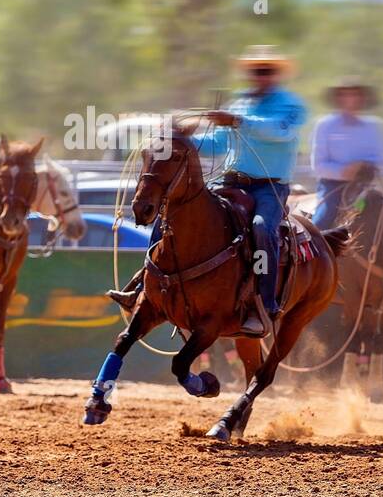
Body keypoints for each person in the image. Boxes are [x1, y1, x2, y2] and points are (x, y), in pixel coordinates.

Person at [109, 46, 308, 336]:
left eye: (266, 71)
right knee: (171, 215)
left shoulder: (290, 106)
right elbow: (218, 143)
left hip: (269, 187)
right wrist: (178, 139)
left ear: (276, 75)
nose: (260, 76)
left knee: (262, 228)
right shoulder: (240, 104)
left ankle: (264, 304)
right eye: (256, 71)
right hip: (231, 182)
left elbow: (280, 131)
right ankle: (141, 285)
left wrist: (239, 121)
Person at [310, 77, 383, 229]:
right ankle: (313, 248)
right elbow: (318, 165)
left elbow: (379, 159)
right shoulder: (325, 125)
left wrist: (364, 166)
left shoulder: (374, 126)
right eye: (345, 94)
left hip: (364, 186)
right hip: (332, 187)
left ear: (362, 99)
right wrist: (344, 172)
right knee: (323, 219)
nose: (350, 99)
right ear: (338, 98)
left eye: (355, 94)